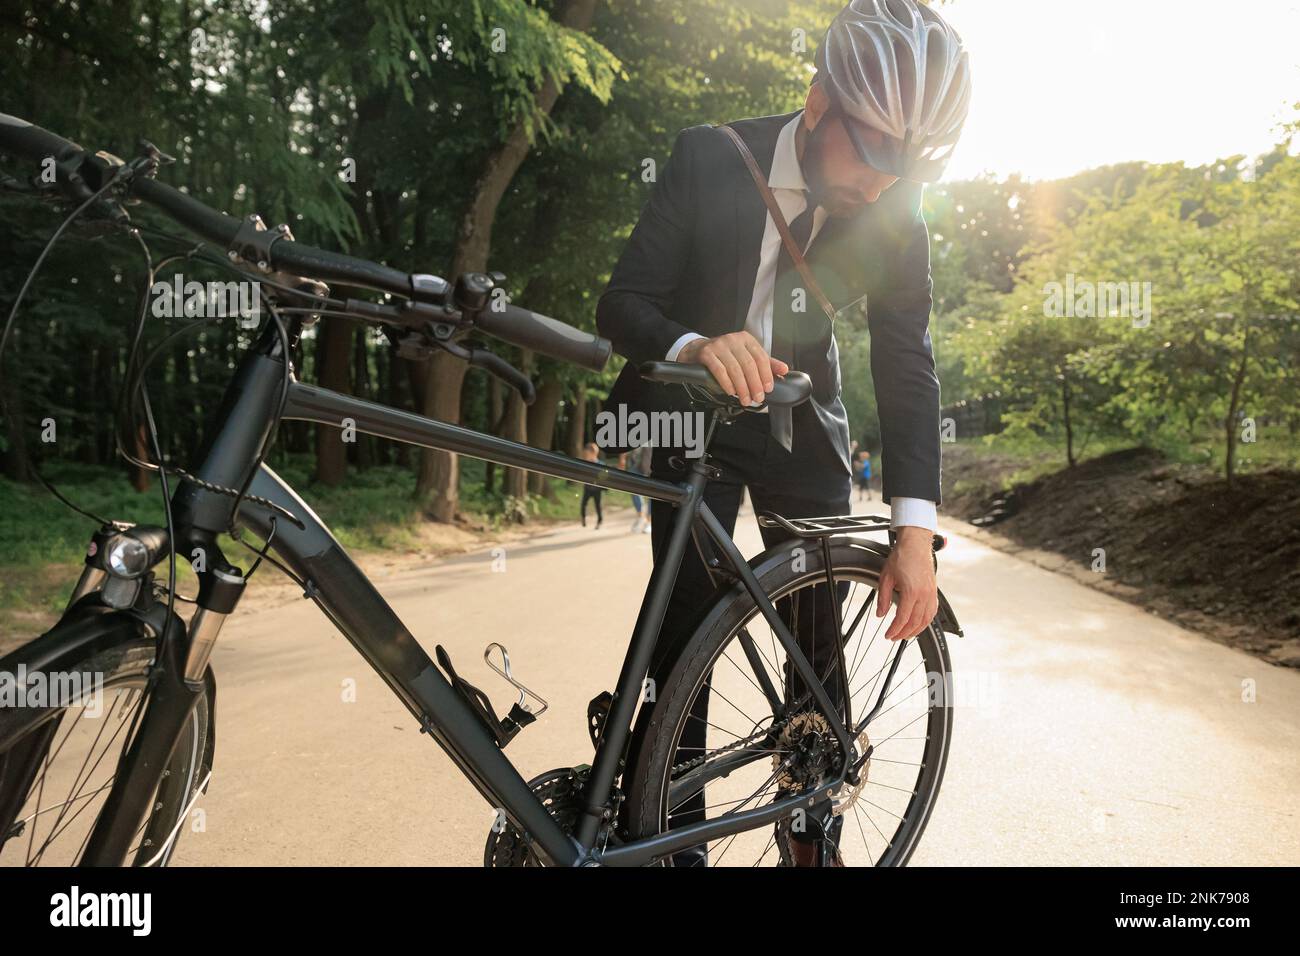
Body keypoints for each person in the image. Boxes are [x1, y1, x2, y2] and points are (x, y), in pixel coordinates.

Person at [597, 0, 970, 866]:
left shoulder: (897, 215)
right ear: (817, 101)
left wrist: (915, 533)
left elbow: (906, 364)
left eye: (904, 171)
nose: (879, 186)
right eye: (872, 154)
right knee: (684, 623)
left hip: (802, 421)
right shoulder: (708, 156)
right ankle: (670, 828)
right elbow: (625, 304)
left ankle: (812, 818)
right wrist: (695, 345)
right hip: (694, 413)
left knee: (814, 636)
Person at [625, 444, 653, 534]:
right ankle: (641, 515)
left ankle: (649, 521)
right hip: (638, 464)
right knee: (632, 485)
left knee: (653, 492)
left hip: (653, 462)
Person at [579, 443, 604, 529]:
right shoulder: (585, 464)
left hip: (597, 489)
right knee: (583, 504)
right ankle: (583, 518)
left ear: (594, 453)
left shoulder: (600, 464)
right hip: (587, 488)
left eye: (587, 454)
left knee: (598, 506)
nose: (586, 455)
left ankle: (599, 521)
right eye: (585, 454)